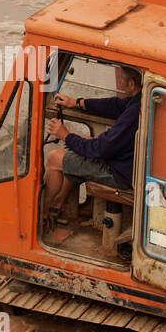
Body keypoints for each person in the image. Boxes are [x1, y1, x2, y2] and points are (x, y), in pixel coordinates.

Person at [43, 65, 142, 226]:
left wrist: (65, 135)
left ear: (131, 84)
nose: (120, 84)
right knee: (78, 149)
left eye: (122, 80)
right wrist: (78, 102)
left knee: (55, 159)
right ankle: (58, 203)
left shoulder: (134, 113)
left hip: (120, 174)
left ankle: (44, 214)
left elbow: (100, 149)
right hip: (126, 163)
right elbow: (115, 105)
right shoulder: (138, 102)